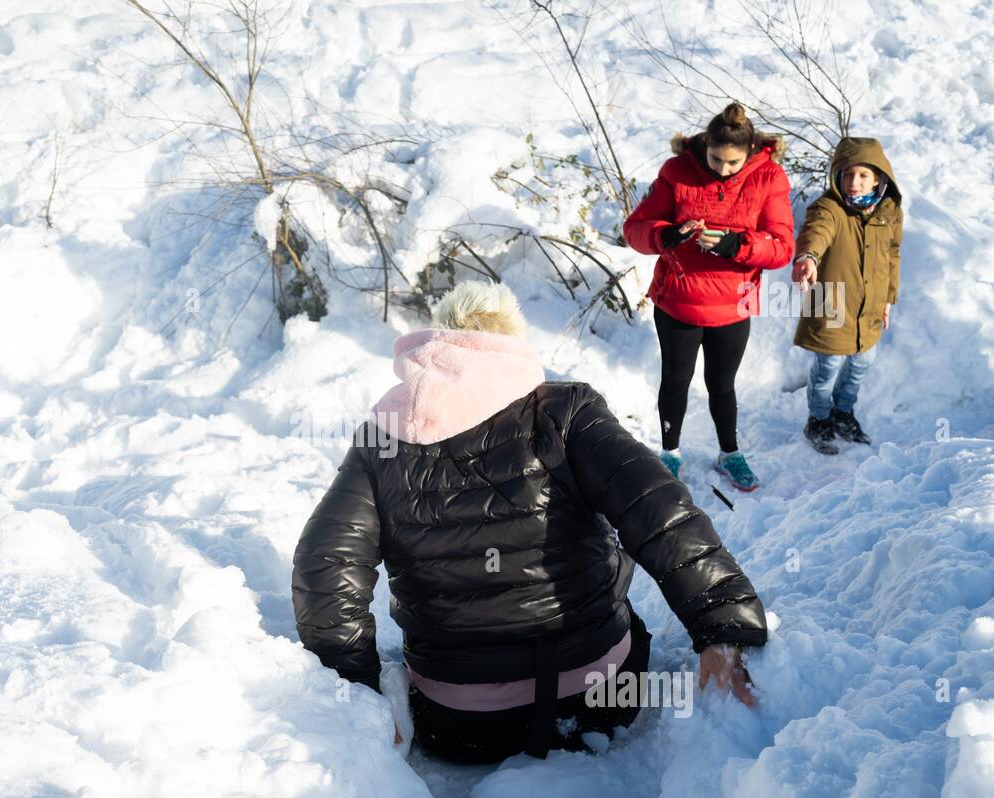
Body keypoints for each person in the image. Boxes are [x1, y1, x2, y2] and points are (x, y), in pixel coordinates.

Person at [290, 280, 767, 764]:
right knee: (616, 588)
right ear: (511, 343)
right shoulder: (564, 411)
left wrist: (360, 690)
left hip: (456, 720)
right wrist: (723, 624)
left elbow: (323, 566)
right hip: (598, 699)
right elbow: (658, 508)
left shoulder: (383, 438)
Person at [623, 102, 795, 492]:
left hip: (733, 303)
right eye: (715, 159)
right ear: (705, 147)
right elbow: (635, 228)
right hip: (679, 299)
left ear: (751, 151)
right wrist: (667, 235)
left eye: (733, 163)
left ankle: (729, 453)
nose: (723, 169)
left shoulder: (770, 177)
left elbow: (782, 246)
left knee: (722, 384)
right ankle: (669, 452)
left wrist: (736, 244)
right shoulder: (677, 171)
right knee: (675, 380)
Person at [791, 137, 903, 454]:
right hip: (831, 299)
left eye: (863, 176)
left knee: (859, 366)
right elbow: (816, 232)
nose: (854, 183)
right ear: (838, 175)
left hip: (869, 304)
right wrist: (807, 258)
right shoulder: (829, 208)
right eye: (848, 174)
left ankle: (843, 414)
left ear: (879, 177)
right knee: (828, 367)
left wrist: (887, 299)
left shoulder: (890, 212)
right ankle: (819, 419)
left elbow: (893, 256)